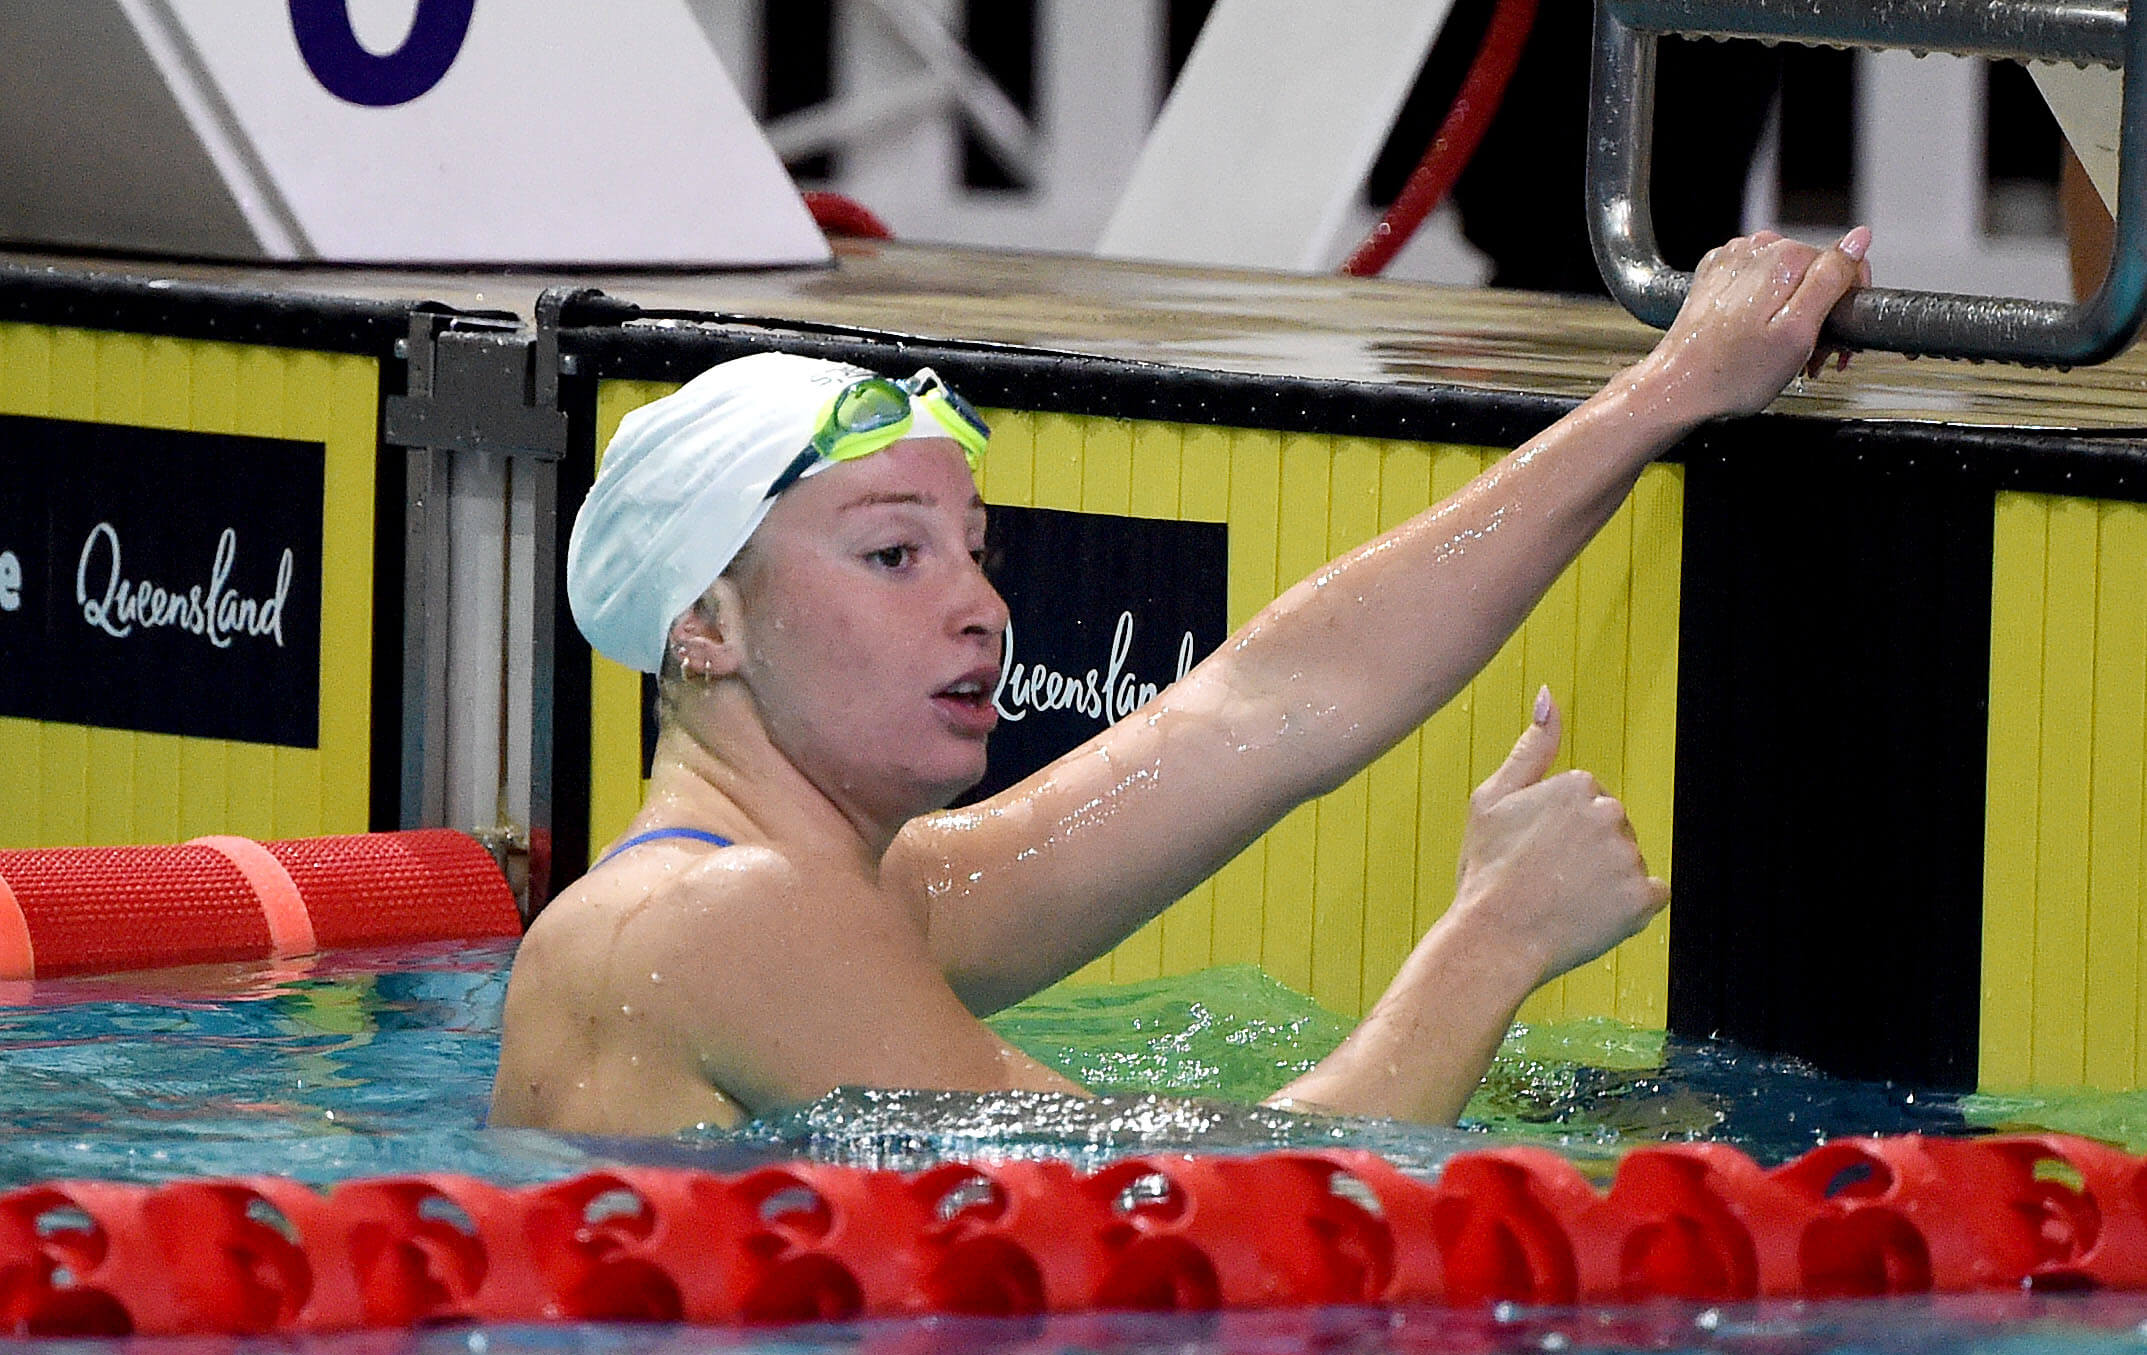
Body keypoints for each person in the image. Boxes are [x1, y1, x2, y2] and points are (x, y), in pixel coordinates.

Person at [490, 227, 1873, 1136]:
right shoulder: (734, 919)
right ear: (707, 622)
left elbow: (1265, 703)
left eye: (975, 551)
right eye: (894, 556)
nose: (978, 606)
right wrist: (1491, 944)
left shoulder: (846, 899)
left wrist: (1669, 389)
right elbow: (1217, 1225)